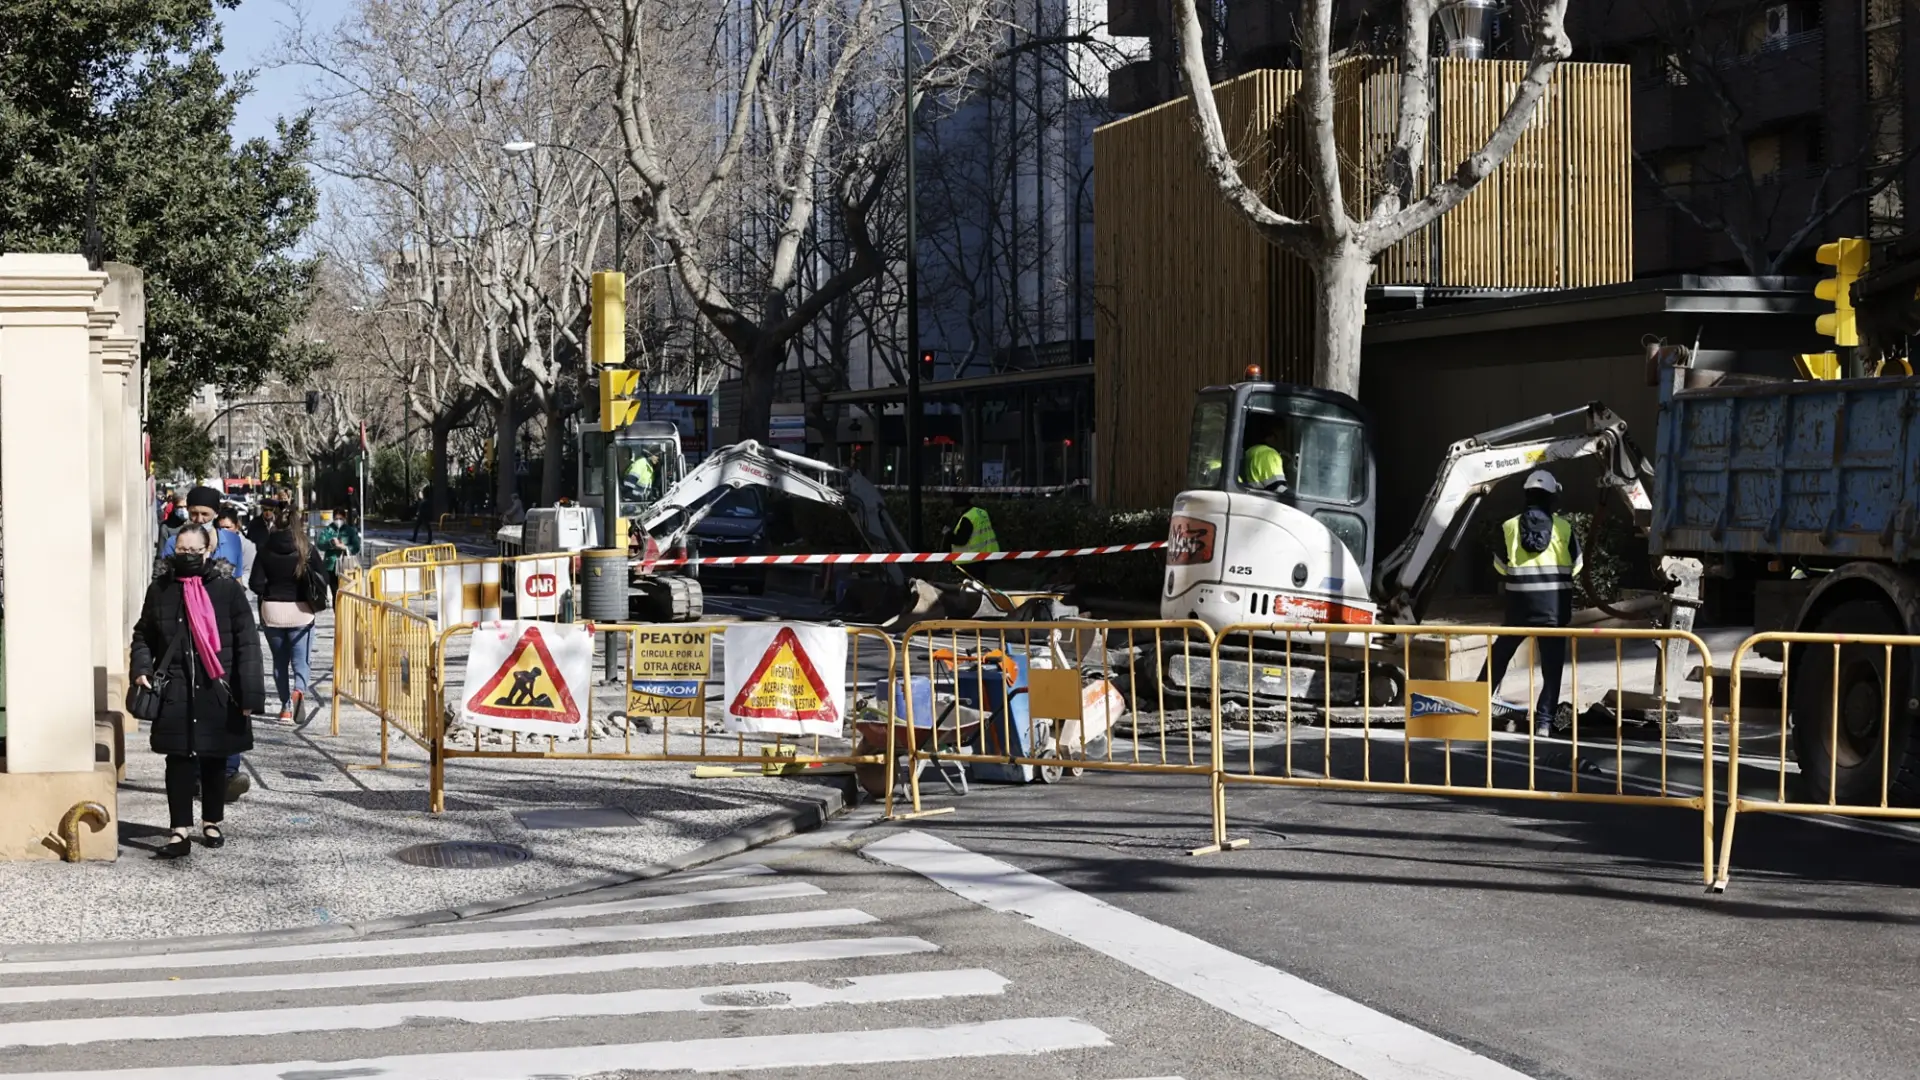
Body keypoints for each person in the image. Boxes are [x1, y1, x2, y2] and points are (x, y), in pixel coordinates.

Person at [130, 524, 266, 859]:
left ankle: (212, 821)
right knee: (177, 759)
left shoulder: (226, 590)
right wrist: (141, 669)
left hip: (218, 686)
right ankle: (179, 830)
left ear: (208, 551)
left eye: (194, 551)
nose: (188, 556)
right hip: (175, 687)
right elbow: (143, 634)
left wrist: (249, 695)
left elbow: (247, 642)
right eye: (182, 550)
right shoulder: (160, 589)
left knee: (214, 758)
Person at [1480, 469, 1583, 739]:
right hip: (1553, 611)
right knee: (1551, 668)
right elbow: (1577, 565)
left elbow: (1500, 567)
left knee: (1499, 657)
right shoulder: (1564, 527)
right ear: (1552, 496)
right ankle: (1544, 722)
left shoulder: (1509, 527)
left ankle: (1475, 706)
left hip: (1519, 609)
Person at [251, 523, 318, 723]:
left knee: (279, 661)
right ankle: (299, 689)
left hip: (272, 611)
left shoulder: (264, 550)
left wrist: (268, 592)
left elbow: (255, 583)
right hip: (301, 611)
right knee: (301, 660)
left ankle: (286, 708)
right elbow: (320, 576)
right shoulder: (306, 549)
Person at [160, 487, 246, 573]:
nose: (199, 519)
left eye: (205, 514)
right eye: (194, 514)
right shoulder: (174, 543)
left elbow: (238, 580)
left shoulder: (233, 540)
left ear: (216, 513)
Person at [315, 509, 362, 592]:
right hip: (331, 565)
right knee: (335, 591)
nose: (338, 521)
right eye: (336, 519)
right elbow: (320, 544)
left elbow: (356, 547)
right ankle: (335, 604)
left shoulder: (350, 531)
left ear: (345, 518)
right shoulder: (328, 530)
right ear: (333, 519)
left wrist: (345, 547)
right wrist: (331, 543)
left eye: (341, 519)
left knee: (346, 591)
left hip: (346, 565)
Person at [216, 511, 256, 593]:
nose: (224, 531)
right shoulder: (215, 543)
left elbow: (249, 572)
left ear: (236, 526)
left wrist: (235, 585)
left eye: (228, 527)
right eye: (221, 527)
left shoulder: (247, 545)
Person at [1240, 420, 1287, 489]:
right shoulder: (1268, 454)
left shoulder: (1252, 450)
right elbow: (1278, 489)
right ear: (1270, 437)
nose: (1283, 442)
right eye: (1282, 436)